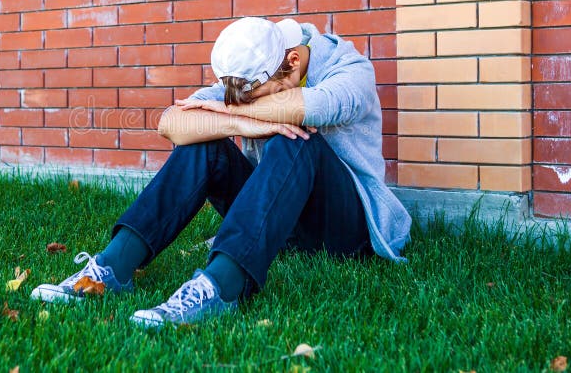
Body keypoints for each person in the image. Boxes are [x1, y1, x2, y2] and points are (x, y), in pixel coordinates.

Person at [31, 17, 412, 329]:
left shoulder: (350, 70)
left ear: (292, 62)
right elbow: (172, 123)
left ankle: (220, 287)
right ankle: (113, 266)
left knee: (296, 137)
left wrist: (226, 115)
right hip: (278, 217)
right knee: (206, 143)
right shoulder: (254, 68)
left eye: (260, 94)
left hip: (346, 226)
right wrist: (244, 124)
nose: (246, 104)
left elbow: (304, 107)